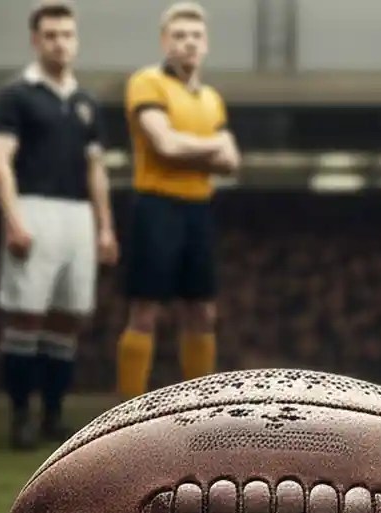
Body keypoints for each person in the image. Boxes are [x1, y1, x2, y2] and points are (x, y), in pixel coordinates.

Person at [0, 0, 118, 450]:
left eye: (67, 35)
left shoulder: (86, 103)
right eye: (51, 35)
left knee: (67, 319)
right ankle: (20, 415)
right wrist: (13, 219)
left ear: (75, 41)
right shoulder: (15, 95)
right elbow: (0, 161)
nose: (60, 43)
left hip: (78, 215)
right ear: (35, 40)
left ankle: (53, 416)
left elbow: (96, 169)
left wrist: (105, 227)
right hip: (33, 208)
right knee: (26, 315)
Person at [116, 2, 240, 399]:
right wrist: (212, 147)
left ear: (206, 45)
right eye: (180, 36)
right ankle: (126, 416)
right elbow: (164, 143)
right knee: (145, 311)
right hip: (155, 205)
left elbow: (232, 161)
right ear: (164, 42)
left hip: (198, 208)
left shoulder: (212, 100)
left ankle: (199, 410)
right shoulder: (146, 82)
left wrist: (197, 149)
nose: (188, 43)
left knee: (202, 312)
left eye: (196, 37)